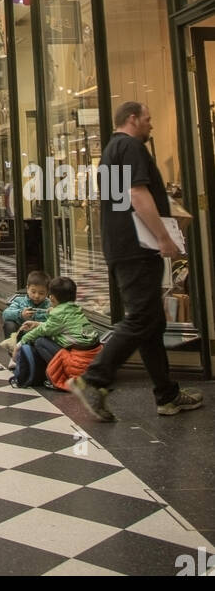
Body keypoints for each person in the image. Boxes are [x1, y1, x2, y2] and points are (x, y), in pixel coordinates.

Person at [69, 101, 203, 422]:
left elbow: (118, 201)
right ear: (132, 119)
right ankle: (94, 379)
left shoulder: (110, 152)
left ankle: (167, 395)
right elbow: (137, 195)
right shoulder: (130, 147)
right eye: (148, 118)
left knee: (151, 322)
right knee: (143, 318)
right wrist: (164, 238)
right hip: (137, 248)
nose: (151, 124)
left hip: (121, 247)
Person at [9, 276, 100, 386]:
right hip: (93, 359)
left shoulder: (58, 314)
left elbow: (42, 331)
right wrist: (38, 324)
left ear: (51, 298)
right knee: (46, 337)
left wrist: (20, 344)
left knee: (40, 341)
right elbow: (59, 327)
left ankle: (59, 373)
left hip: (77, 364)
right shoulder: (75, 308)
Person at [0, 269, 51, 340]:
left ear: (47, 292)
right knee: (9, 324)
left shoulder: (50, 305)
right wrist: (21, 314)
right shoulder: (19, 301)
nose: (36, 296)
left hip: (40, 336)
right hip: (22, 334)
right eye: (33, 292)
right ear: (27, 289)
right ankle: (12, 350)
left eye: (41, 293)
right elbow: (5, 314)